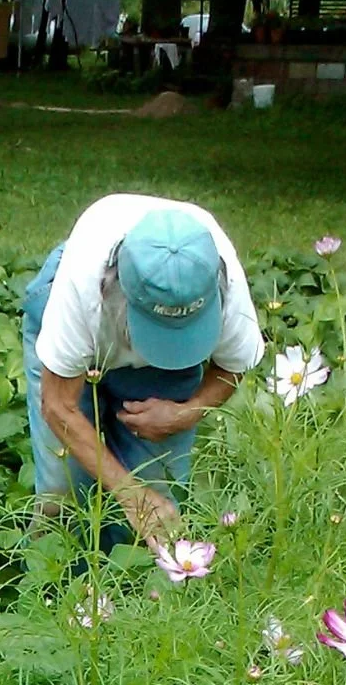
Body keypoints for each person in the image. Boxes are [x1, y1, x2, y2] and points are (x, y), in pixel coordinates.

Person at [22, 193, 264, 550]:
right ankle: (60, 582)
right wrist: (129, 493)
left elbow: (234, 364)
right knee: (63, 495)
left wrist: (185, 414)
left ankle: (135, 583)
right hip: (82, 329)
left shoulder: (223, 284)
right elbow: (58, 406)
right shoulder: (83, 284)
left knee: (157, 496)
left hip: (158, 373)